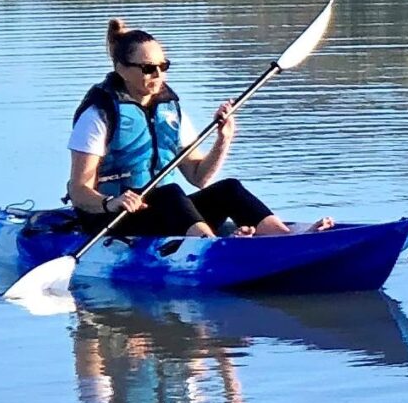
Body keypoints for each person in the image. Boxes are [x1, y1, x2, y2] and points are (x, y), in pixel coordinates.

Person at [66, 19, 328, 239]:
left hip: (167, 212)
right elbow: (78, 190)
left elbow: (198, 177)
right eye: (148, 69)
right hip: (113, 219)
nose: (158, 75)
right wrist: (109, 202)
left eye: (163, 66)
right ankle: (212, 248)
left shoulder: (169, 111)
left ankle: (282, 237)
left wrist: (223, 140)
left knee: (229, 189)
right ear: (121, 69)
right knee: (169, 193)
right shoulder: (99, 115)